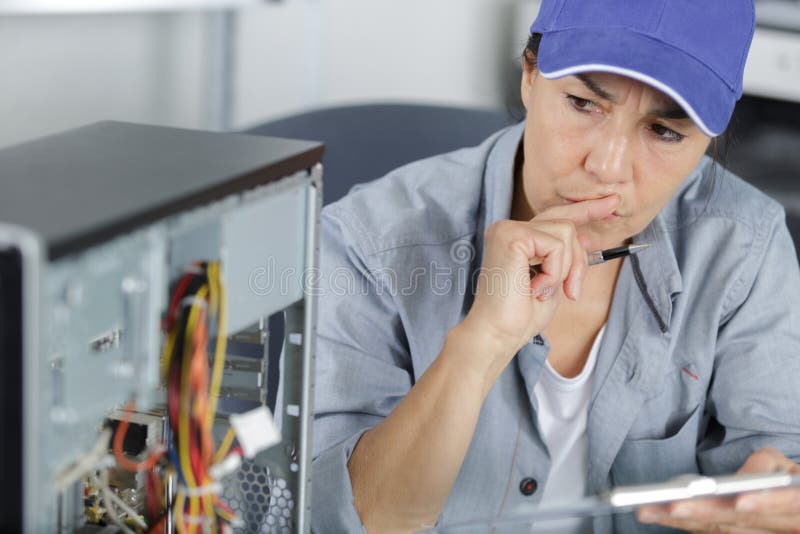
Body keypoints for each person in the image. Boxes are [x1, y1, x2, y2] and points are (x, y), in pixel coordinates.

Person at [310, 1, 800, 532]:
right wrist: (483, 342)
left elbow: (779, 473)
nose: (607, 167)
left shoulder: (746, 245)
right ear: (529, 75)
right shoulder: (367, 242)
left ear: (709, 140)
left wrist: (775, 505)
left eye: (664, 132)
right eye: (583, 103)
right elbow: (356, 520)